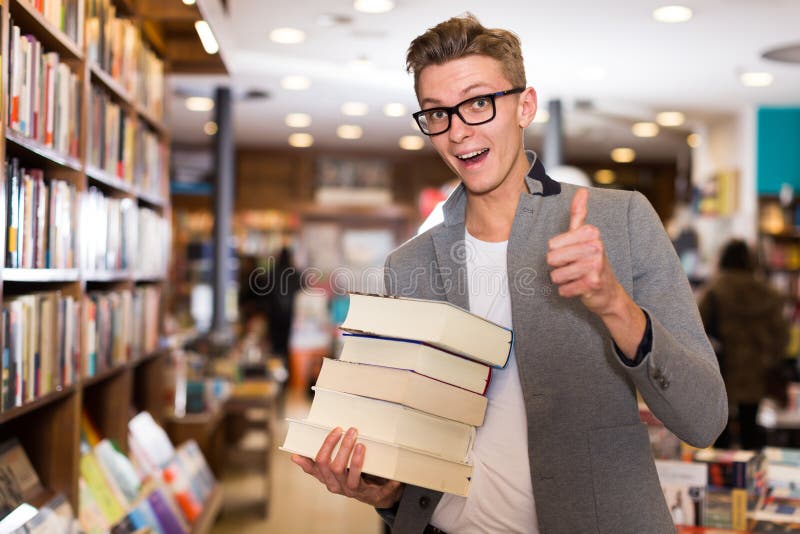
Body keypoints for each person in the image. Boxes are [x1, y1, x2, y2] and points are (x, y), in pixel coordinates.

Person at [291, 13, 727, 533]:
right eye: (437, 113)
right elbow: (412, 462)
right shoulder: (408, 267)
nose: (458, 132)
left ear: (525, 105)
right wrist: (382, 490)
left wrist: (615, 306)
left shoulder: (621, 220)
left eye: (478, 103)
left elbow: (705, 419)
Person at [698, 239, 789, 450]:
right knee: (751, 430)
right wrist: (770, 360)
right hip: (755, 372)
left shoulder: (714, 290)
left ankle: (722, 477)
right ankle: (751, 475)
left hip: (723, 371)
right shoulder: (767, 293)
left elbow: (696, 329)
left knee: (720, 432)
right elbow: (782, 335)